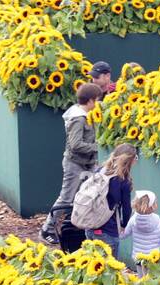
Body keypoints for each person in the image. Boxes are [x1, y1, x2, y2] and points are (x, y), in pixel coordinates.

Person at [39, 82, 103, 246]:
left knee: (84, 196)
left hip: (87, 162)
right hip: (75, 163)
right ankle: (47, 229)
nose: (98, 104)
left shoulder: (86, 114)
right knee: (66, 198)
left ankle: (76, 229)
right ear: (89, 101)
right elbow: (75, 144)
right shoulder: (78, 118)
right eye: (97, 100)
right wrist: (97, 147)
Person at [85, 143, 137, 261]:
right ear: (129, 161)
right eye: (135, 158)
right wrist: (124, 225)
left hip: (90, 227)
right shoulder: (123, 180)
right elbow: (126, 208)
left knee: (92, 266)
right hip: (108, 231)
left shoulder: (99, 171)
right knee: (110, 270)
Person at [121, 190, 160, 266]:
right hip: (154, 258)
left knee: (141, 277)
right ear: (153, 206)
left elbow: (123, 235)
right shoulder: (159, 222)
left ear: (136, 204)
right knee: (152, 277)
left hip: (138, 258)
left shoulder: (133, 220)